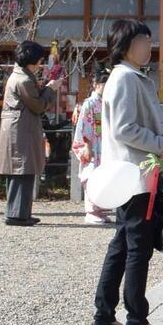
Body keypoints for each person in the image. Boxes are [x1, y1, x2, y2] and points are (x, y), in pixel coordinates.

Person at [92, 20, 163, 325]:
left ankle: (104, 314)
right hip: (135, 176)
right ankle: (137, 318)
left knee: (121, 245)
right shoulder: (126, 78)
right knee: (137, 248)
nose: (148, 46)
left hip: (131, 175)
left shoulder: (129, 77)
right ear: (126, 44)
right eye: (143, 41)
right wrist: (161, 143)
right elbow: (124, 129)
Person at [0, 40, 59, 227]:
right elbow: (38, 106)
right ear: (33, 60)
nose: (41, 63)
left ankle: (19, 213)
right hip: (21, 130)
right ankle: (17, 215)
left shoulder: (20, 76)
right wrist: (50, 89)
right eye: (40, 60)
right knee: (22, 171)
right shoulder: (23, 79)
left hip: (19, 128)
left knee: (22, 171)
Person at [71, 79, 112, 225]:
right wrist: (86, 145)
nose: (105, 87)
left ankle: (100, 210)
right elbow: (84, 125)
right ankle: (91, 211)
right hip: (93, 144)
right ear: (95, 84)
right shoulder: (89, 102)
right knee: (92, 175)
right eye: (103, 84)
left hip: (104, 145)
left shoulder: (107, 101)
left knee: (103, 177)